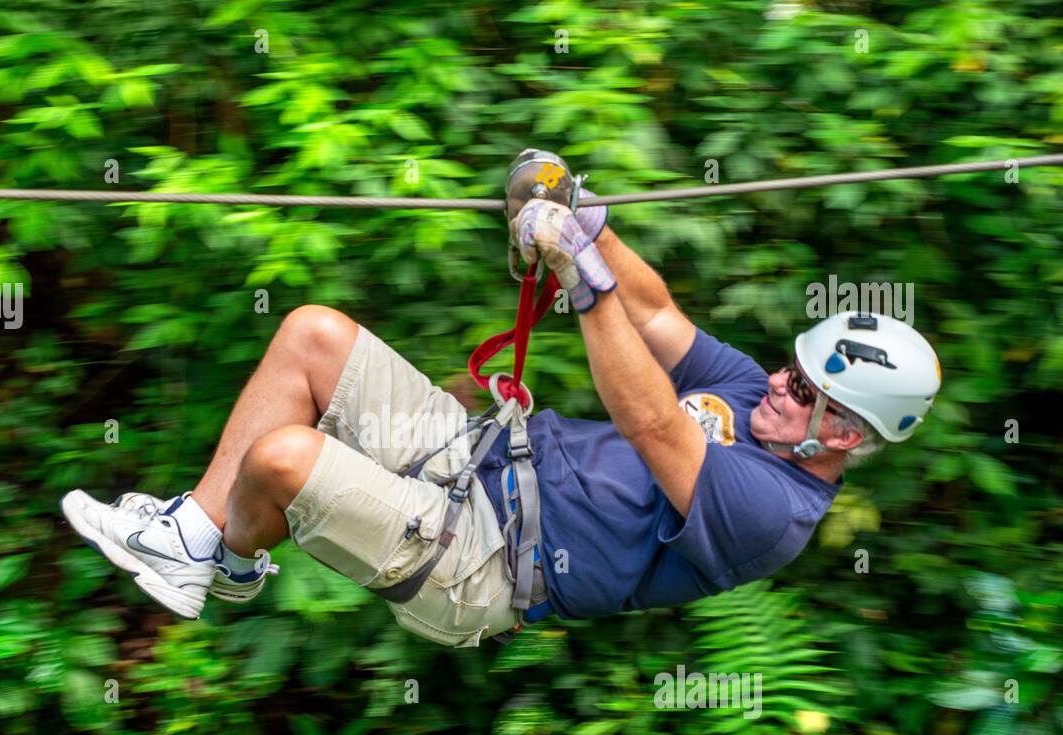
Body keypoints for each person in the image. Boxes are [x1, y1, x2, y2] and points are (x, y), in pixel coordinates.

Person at [60, 156, 942, 648]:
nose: (781, 385)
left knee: (283, 459)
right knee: (312, 334)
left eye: (808, 391)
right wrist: (578, 212)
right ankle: (196, 542)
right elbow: (659, 310)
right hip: (478, 452)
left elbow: (652, 423)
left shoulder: (775, 511)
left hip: (482, 563)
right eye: (794, 367)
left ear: (847, 436)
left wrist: (577, 273)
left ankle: (228, 556)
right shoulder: (753, 394)